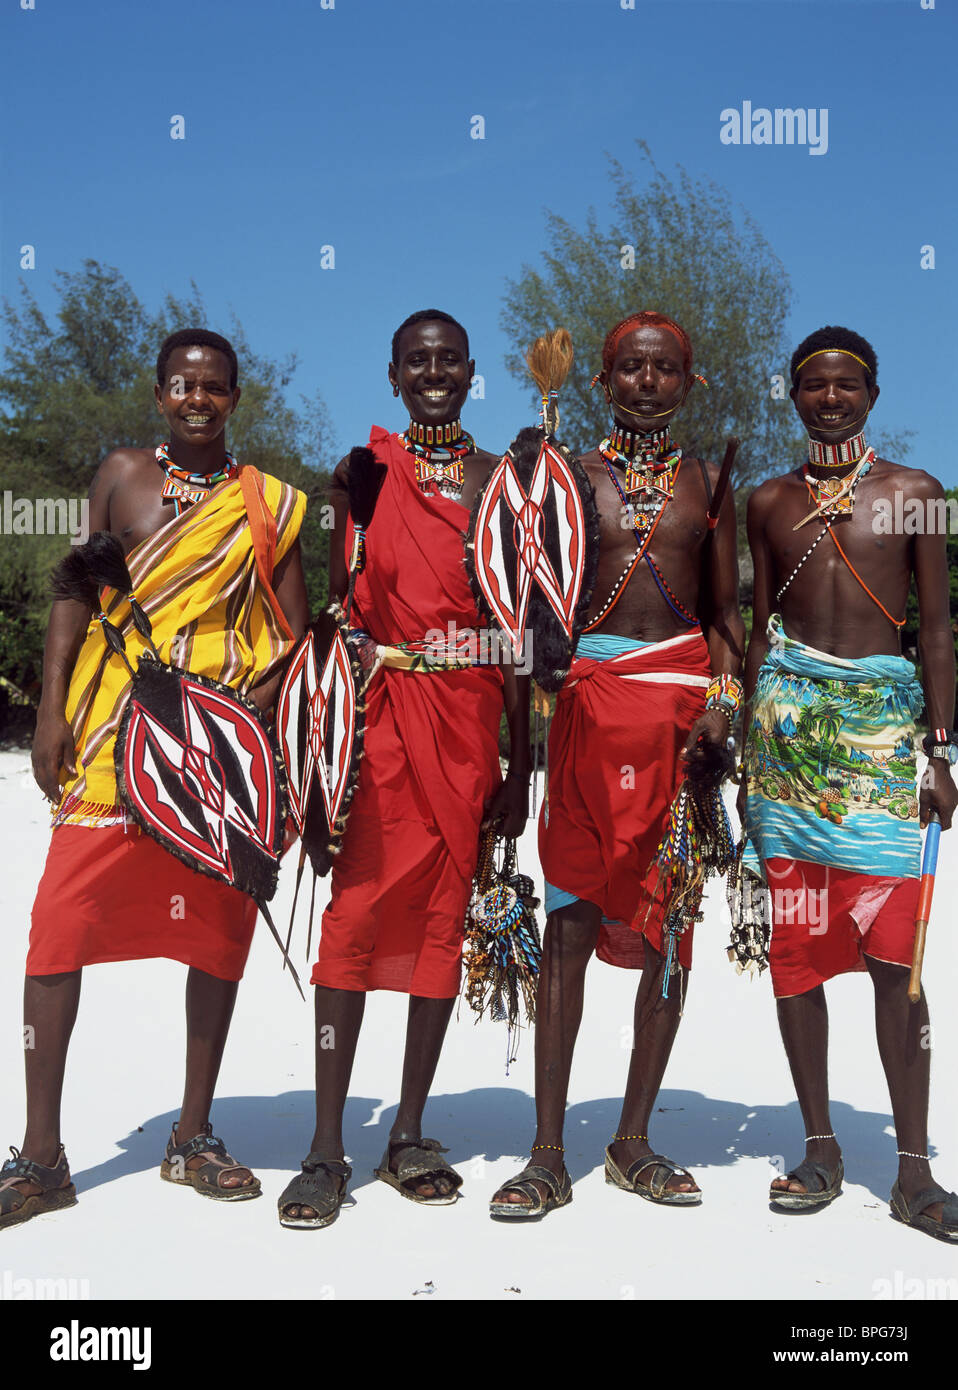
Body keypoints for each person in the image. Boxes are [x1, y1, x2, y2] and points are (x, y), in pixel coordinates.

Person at [0, 330, 308, 1230]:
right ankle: (43, 1154)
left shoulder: (271, 504)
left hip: (212, 752)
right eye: (184, 384)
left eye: (216, 386)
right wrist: (51, 708)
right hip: (108, 728)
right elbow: (72, 590)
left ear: (236, 398)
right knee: (59, 930)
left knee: (214, 932)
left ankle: (194, 1134)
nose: (199, 398)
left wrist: (240, 717)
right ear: (161, 392)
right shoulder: (121, 473)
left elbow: (292, 636)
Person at [278, 310, 530, 1229]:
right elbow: (337, 613)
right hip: (379, 722)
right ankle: (324, 1146)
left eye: (448, 361)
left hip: (467, 725)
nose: (433, 373)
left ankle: (409, 1133)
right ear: (392, 375)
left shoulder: (503, 481)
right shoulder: (363, 474)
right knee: (353, 917)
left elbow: (512, 623)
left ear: (471, 374)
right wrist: (316, 752)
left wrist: (521, 759)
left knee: (440, 924)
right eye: (416, 362)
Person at [491, 311, 743, 1217]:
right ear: (600, 381)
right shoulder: (566, 476)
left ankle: (632, 1139)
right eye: (631, 369)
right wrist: (518, 757)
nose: (647, 383)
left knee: (670, 930)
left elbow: (723, 620)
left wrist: (722, 707)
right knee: (567, 929)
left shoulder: (704, 484)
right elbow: (528, 620)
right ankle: (548, 1153)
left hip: (680, 732)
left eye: (665, 369)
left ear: (688, 381)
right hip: (586, 726)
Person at [740, 324, 958, 1240]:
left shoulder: (917, 495)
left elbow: (938, 628)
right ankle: (821, 1146)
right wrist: (743, 736)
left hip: (880, 744)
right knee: (796, 953)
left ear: (873, 394)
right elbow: (755, 626)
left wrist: (941, 747)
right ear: (793, 394)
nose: (830, 398)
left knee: (894, 959)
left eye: (846, 385)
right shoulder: (767, 499)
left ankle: (913, 1169)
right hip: (786, 752)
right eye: (813, 385)